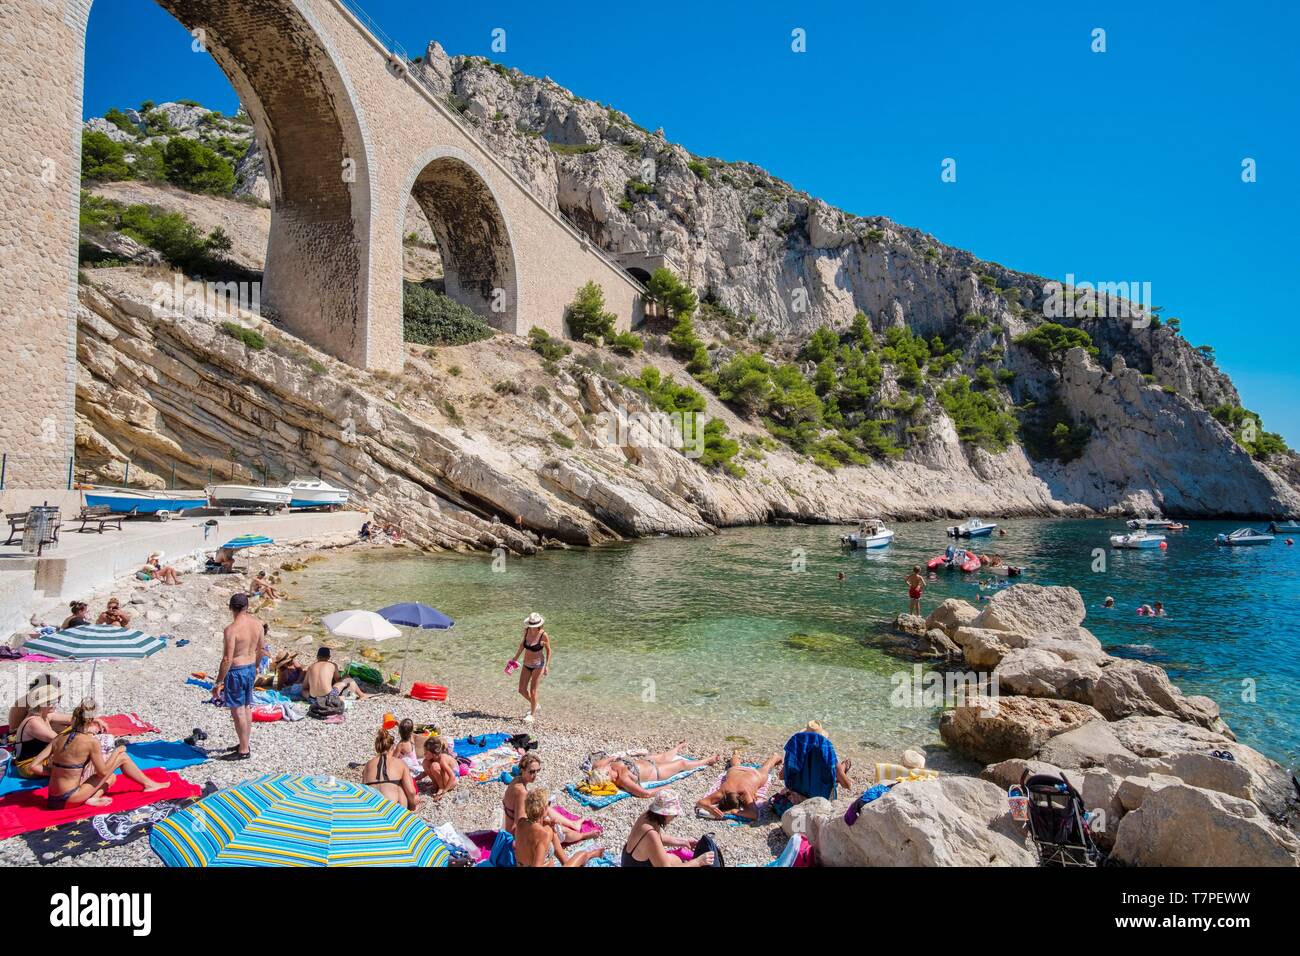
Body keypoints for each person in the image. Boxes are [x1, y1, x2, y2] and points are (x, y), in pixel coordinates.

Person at [41, 699, 166, 810]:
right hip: (70, 798)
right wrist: (117, 751)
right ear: (91, 722)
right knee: (122, 757)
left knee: (111, 778)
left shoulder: (59, 738)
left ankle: (91, 798)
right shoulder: (90, 741)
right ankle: (149, 784)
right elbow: (102, 772)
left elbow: (33, 766)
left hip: (52, 800)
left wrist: (59, 772)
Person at [212, 592, 267, 761]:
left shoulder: (231, 630)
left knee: (238, 711)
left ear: (230, 608)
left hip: (236, 671)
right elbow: (261, 649)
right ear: (247, 607)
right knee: (246, 706)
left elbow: (227, 658)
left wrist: (219, 682)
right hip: (251, 668)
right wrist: (257, 666)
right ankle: (245, 742)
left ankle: (243, 750)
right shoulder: (258, 624)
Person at [582, 743, 720, 798]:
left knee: (665, 756)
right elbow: (645, 794)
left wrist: (611, 761)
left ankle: (677, 748)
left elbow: (601, 762)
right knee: (681, 763)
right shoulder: (623, 779)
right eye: (607, 771)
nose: (607, 768)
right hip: (656, 772)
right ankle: (707, 761)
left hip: (645, 761)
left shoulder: (603, 768)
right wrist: (664, 788)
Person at [502, 754, 587, 840]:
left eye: (537, 771)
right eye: (531, 772)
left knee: (544, 807)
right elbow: (519, 824)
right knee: (557, 830)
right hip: (513, 834)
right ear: (522, 770)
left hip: (506, 825)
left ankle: (573, 824)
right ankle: (582, 836)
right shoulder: (522, 793)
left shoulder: (516, 780)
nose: (535, 775)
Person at [622, 790, 714, 867]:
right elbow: (654, 839)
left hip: (628, 861)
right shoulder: (651, 834)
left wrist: (683, 842)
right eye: (674, 815)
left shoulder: (646, 817)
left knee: (675, 860)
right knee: (678, 862)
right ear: (666, 814)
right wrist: (698, 862)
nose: (675, 817)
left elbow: (656, 839)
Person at [515, 789, 603, 868]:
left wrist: (549, 823)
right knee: (580, 855)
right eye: (548, 804)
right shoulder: (543, 835)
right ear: (543, 809)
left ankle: (566, 861)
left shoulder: (521, 822)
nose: (550, 806)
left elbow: (533, 826)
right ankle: (591, 854)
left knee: (551, 831)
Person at [695, 751, 782, 821]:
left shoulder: (744, 793)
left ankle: (775, 757)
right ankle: (774, 756)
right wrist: (709, 808)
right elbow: (700, 803)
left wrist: (735, 811)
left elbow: (754, 815)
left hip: (753, 775)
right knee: (765, 767)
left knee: (765, 768)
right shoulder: (724, 790)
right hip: (738, 771)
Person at [362, 727, 419, 811]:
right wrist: (414, 805)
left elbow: (363, 789)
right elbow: (411, 792)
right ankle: (409, 812)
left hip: (370, 808)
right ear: (393, 747)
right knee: (400, 786)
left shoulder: (368, 765)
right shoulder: (400, 763)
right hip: (392, 810)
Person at [509, 612, 551, 723]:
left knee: (533, 691)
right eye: (530, 625)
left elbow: (549, 651)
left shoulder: (543, 635)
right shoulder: (527, 631)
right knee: (521, 690)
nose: (532, 628)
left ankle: (532, 715)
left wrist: (547, 665)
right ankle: (535, 704)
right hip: (526, 664)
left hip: (538, 665)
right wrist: (515, 658)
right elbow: (522, 645)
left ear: (538, 625)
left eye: (534, 626)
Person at [302, 647, 369, 702]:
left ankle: (316, 700)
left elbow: (304, 686)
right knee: (347, 677)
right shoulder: (332, 665)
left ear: (317, 657)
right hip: (329, 696)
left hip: (313, 698)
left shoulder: (311, 667)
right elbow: (338, 680)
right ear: (328, 657)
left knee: (304, 691)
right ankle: (361, 695)